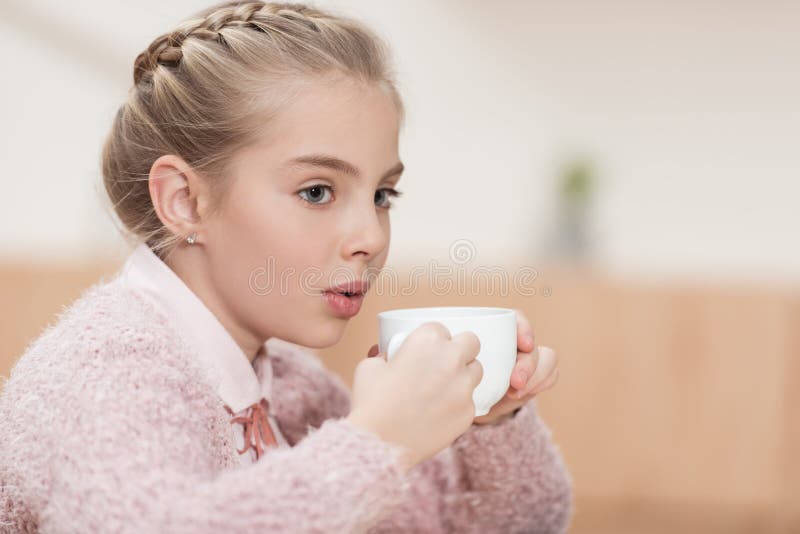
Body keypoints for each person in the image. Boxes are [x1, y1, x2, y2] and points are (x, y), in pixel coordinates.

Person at [0, 2, 572, 532]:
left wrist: (487, 419)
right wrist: (376, 444)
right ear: (183, 200)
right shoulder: (105, 371)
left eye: (382, 195)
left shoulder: (289, 383)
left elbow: (508, 522)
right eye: (318, 191)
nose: (371, 238)